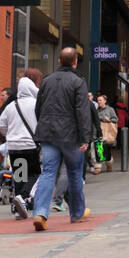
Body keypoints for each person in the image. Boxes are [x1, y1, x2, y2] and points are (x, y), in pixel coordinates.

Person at [31, 48, 93, 230]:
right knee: (74, 172)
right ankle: (77, 212)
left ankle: (40, 213)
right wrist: (85, 137)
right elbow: (82, 112)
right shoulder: (78, 82)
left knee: (48, 172)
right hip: (70, 136)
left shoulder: (47, 81)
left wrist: (44, 126)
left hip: (48, 134)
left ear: (59, 60)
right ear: (75, 62)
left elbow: (38, 108)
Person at [0, 71, 43, 219]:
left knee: (20, 176)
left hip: (14, 147)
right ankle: (23, 199)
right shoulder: (36, 104)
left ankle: (17, 209)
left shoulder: (11, 106)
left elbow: (0, 125)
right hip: (30, 146)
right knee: (33, 174)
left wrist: (10, 133)